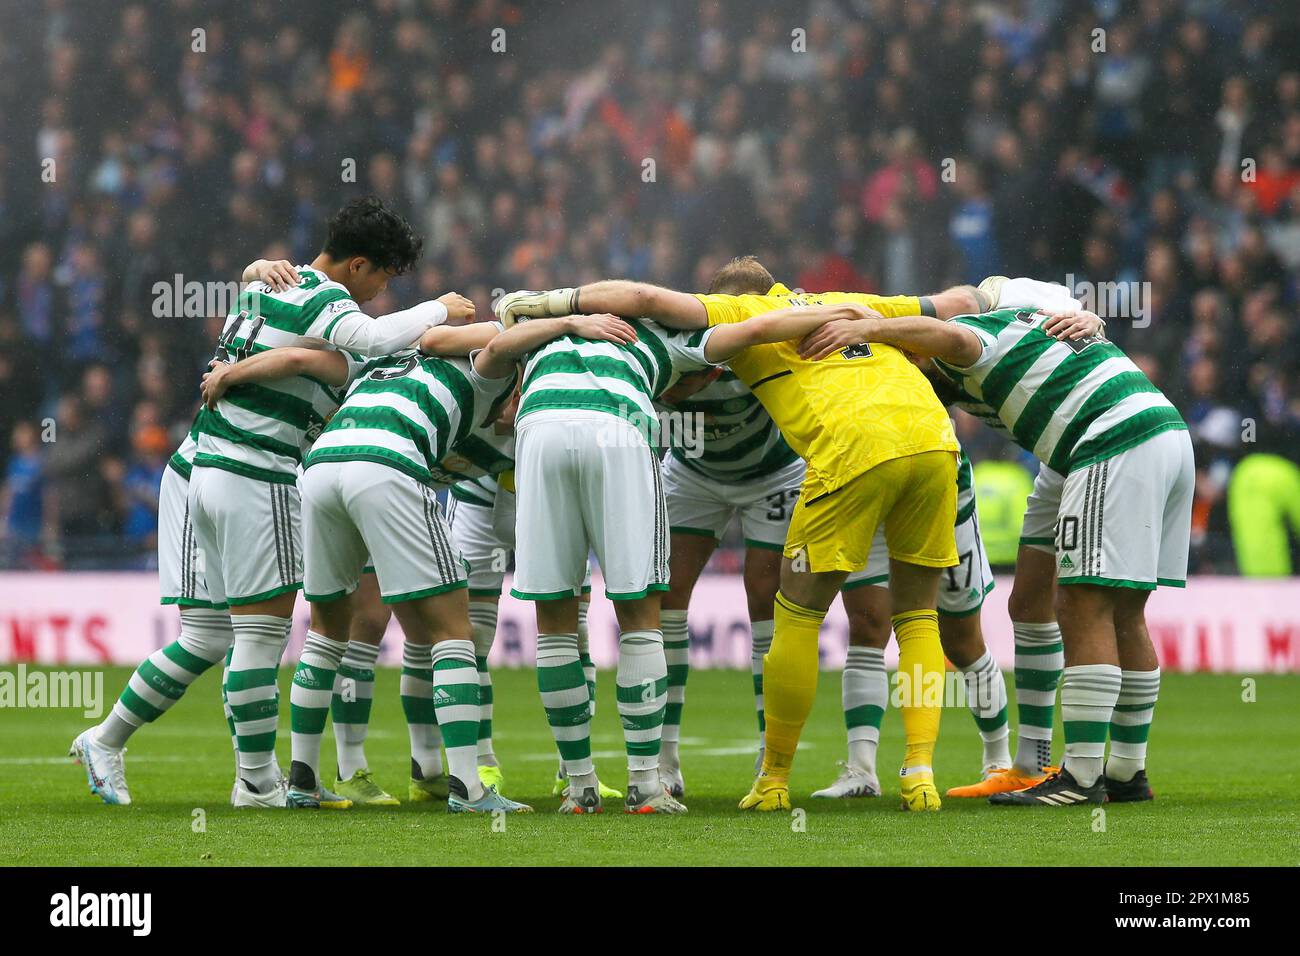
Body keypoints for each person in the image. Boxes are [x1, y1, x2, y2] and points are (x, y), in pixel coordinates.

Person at [799, 283, 1189, 805]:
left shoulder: (974, 341)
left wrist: (866, 327)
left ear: (920, 352)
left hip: (1111, 437)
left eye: (910, 367)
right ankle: (1091, 769)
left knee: (1084, 604)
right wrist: (1093, 319)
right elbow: (1067, 314)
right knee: (1038, 599)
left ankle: (1083, 777)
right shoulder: (1011, 336)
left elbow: (946, 334)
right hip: (1125, 435)